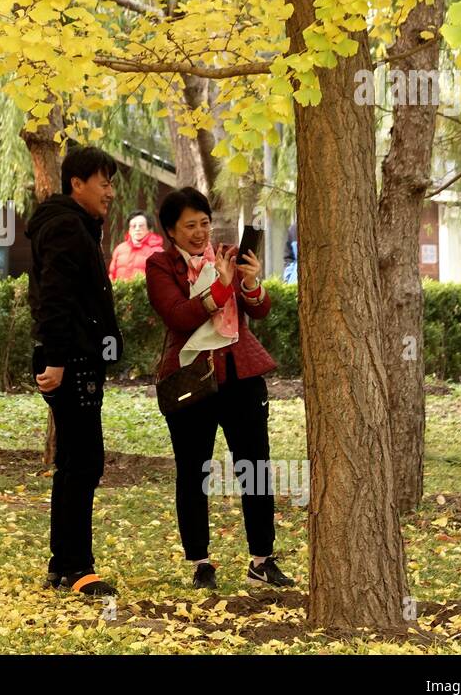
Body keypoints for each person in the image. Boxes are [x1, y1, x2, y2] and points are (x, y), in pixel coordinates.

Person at [145, 187, 295, 591]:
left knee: (256, 468)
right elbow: (179, 317)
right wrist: (222, 288)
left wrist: (250, 282)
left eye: (204, 223)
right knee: (194, 472)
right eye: (189, 226)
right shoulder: (160, 266)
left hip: (241, 375)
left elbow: (259, 309)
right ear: (171, 231)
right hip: (192, 380)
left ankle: (262, 559)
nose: (199, 232)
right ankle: (201, 563)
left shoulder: (227, 255)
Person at [25, 146, 123, 598]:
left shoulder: (74, 224)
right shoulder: (66, 227)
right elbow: (55, 300)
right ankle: (77, 567)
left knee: (74, 462)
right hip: (73, 361)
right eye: (103, 182)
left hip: (76, 359)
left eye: (111, 182)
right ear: (76, 183)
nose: (110, 191)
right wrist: (58, 361)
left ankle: (62, 564)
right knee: (82, 463)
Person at [108, 210, 165, 280]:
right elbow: (111, 275)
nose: (137, 229)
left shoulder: (157, 251)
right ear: (129, 229)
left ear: (149, 229)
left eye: (141, 226)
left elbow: (160, 279)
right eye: (134, 226)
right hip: (120, 290)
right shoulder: (120, 249)